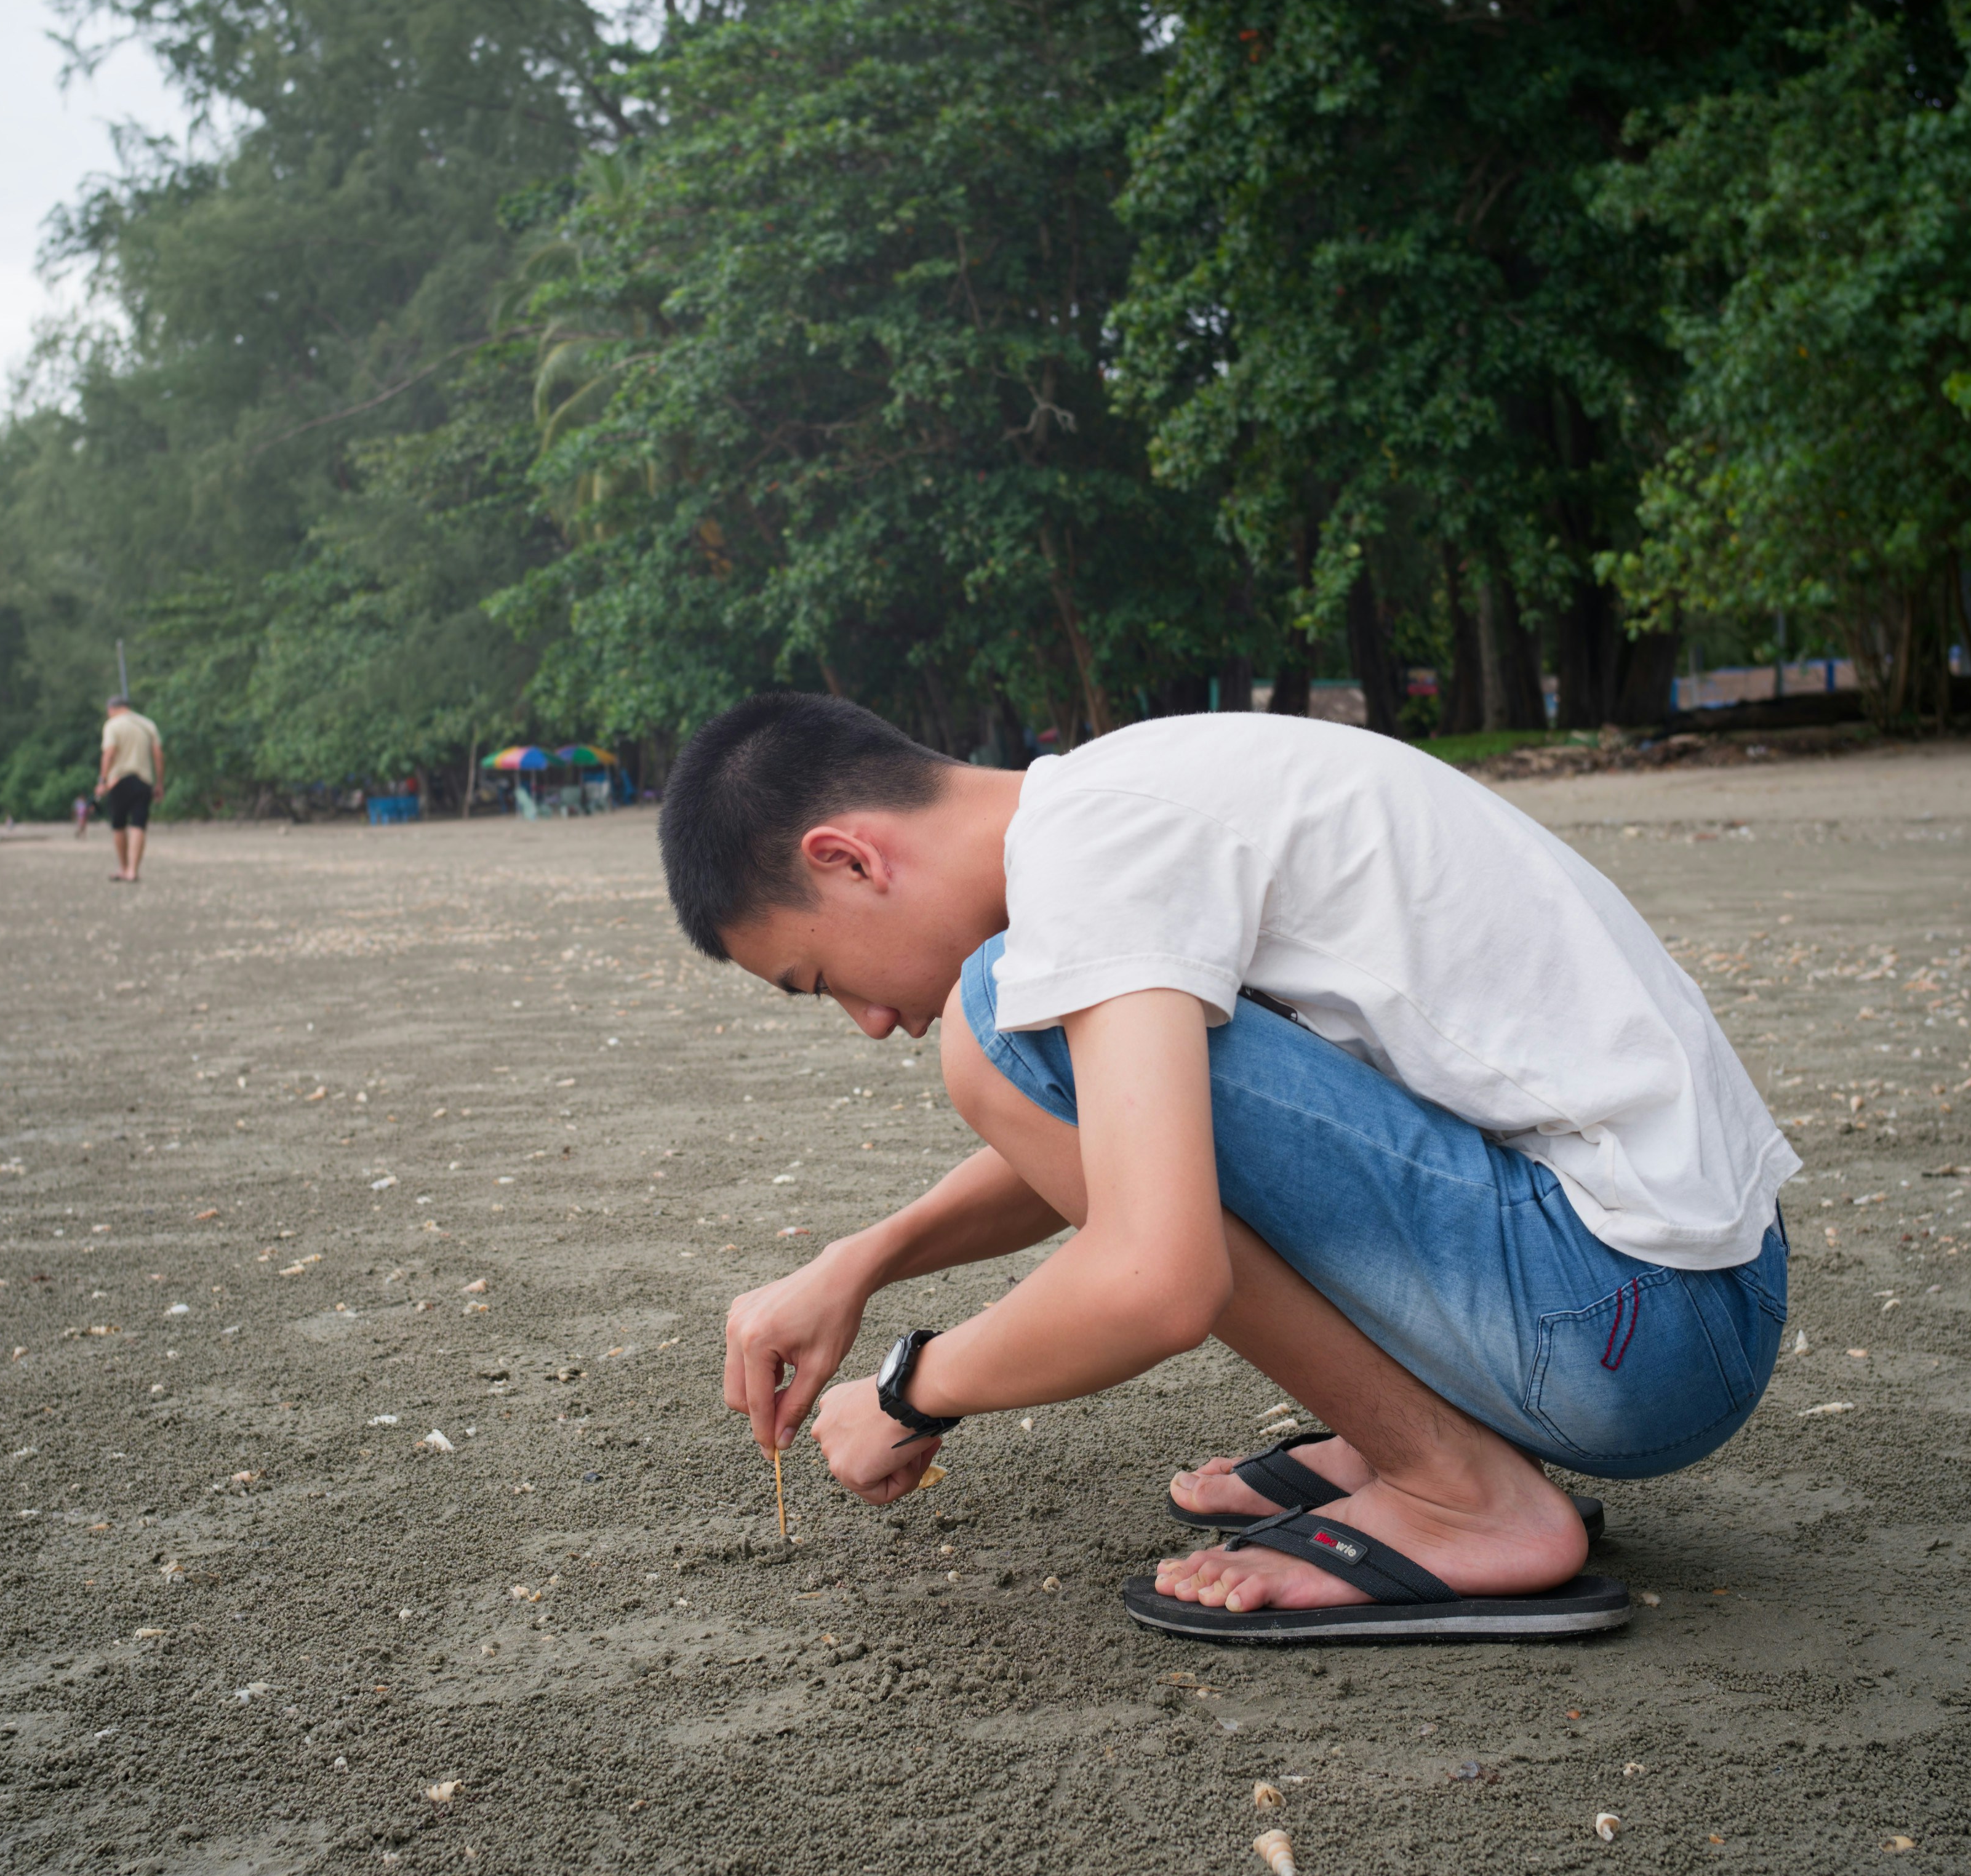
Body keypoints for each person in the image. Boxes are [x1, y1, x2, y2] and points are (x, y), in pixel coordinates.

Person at [675, 693, 1795, 1647]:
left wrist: (913, 1390)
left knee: (995, 1028)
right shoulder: (1116, 802)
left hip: (1628, 1319)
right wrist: (861, 1261)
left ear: (848, 856)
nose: (869, 1023)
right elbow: (1135, 1133)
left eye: (817, 976)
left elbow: (1155, 1277)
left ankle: (1458, 1490)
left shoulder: (1092, 859)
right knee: (1029, 1036)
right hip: (1665, 1294)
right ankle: (1421, 1436)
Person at [95, 694, 165, 883]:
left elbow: (109, 754)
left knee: (119, 824)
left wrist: (102, 781)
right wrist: (159, 782)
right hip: (144, 779)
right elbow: (158, 755)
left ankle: (123, 867)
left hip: (119, 779)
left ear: (112, 709)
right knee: (138, 824)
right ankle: (133, 870)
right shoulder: (148, 724)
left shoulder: (113, 725)